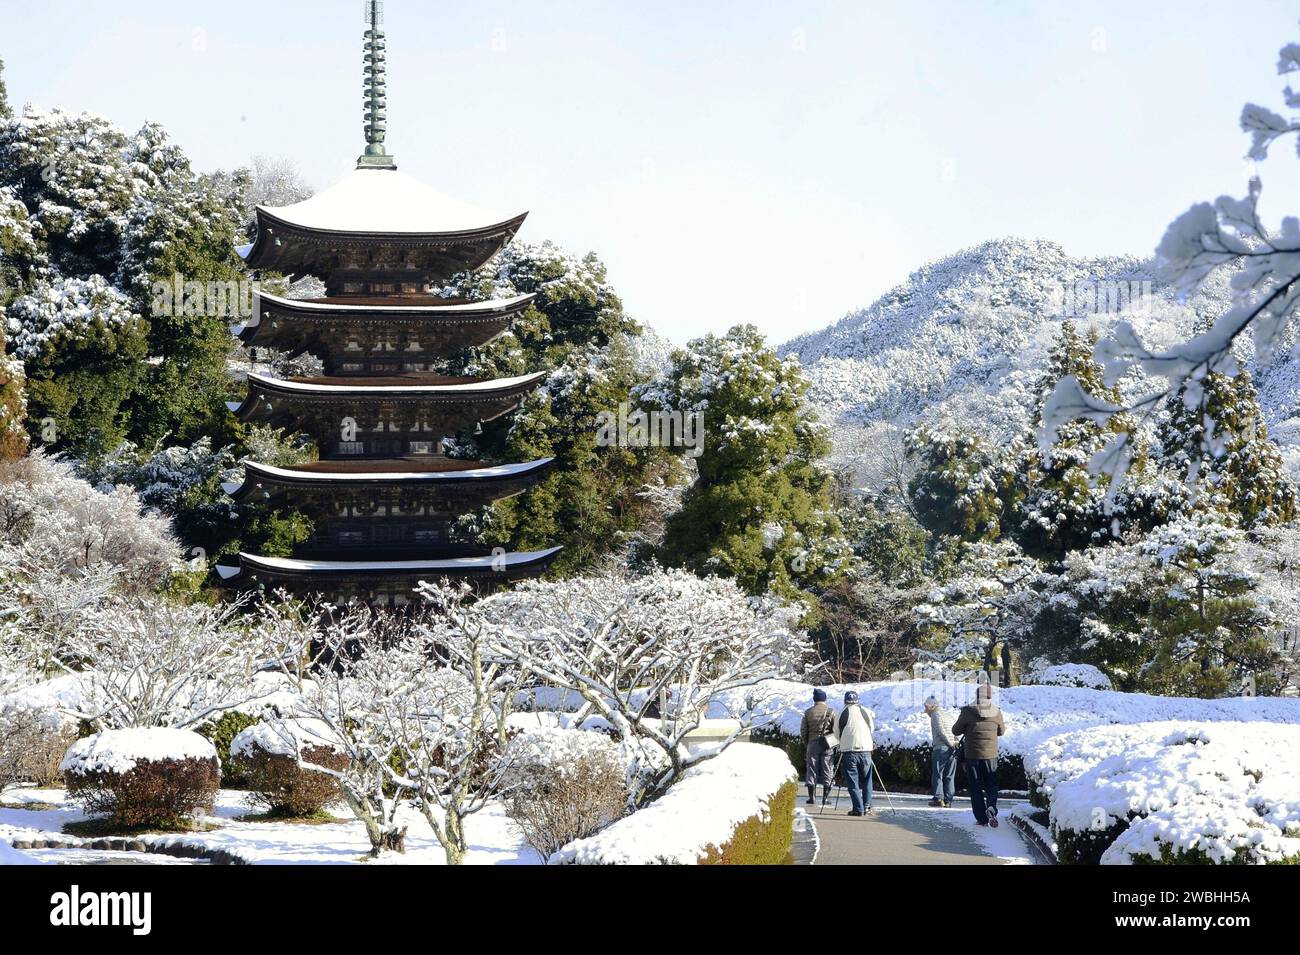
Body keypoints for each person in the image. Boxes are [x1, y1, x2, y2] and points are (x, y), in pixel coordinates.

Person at [952, 681, 1006, 827]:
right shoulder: (996, 711)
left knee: (975, 787)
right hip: (991, 756)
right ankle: (992, 808)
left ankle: (981, 819)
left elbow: (955, 731)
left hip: (972, 756)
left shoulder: (968, 711)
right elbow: (1001, 731)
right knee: (991, 785)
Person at [837, 690, 876, 816]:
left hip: (849, 751)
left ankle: (858, 809)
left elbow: (837, 732)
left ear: (845, 701)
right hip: (865, 750)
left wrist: (842, 741)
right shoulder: (865, 711)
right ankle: (867, 806)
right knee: (867, 780)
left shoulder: (842, 712)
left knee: (852, 782)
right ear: (857, 700)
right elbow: (871, 728)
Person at [800, 688, 837, 806]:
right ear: (825, 699)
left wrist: (807, 743)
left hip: (812, 743)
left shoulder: (808, 712)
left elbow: (803, 731)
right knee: (828, 769)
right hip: (827, 744)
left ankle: (812, 798)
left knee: (811, 769)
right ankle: (825, 798)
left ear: (814, 699)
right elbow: (836, 730)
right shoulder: (831, 712)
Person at [924, 695, 957, 808]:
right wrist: (954, 744)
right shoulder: (948, 715)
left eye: (926, 707)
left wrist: (949, 744)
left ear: (931, 706)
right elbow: (956, 730)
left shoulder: (935, 714)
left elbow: (940, 731)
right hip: (952, 749)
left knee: (938, 773)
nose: (925, 711)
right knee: (949, 775)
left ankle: (938, 798)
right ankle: (948, 800)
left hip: (941, 748)